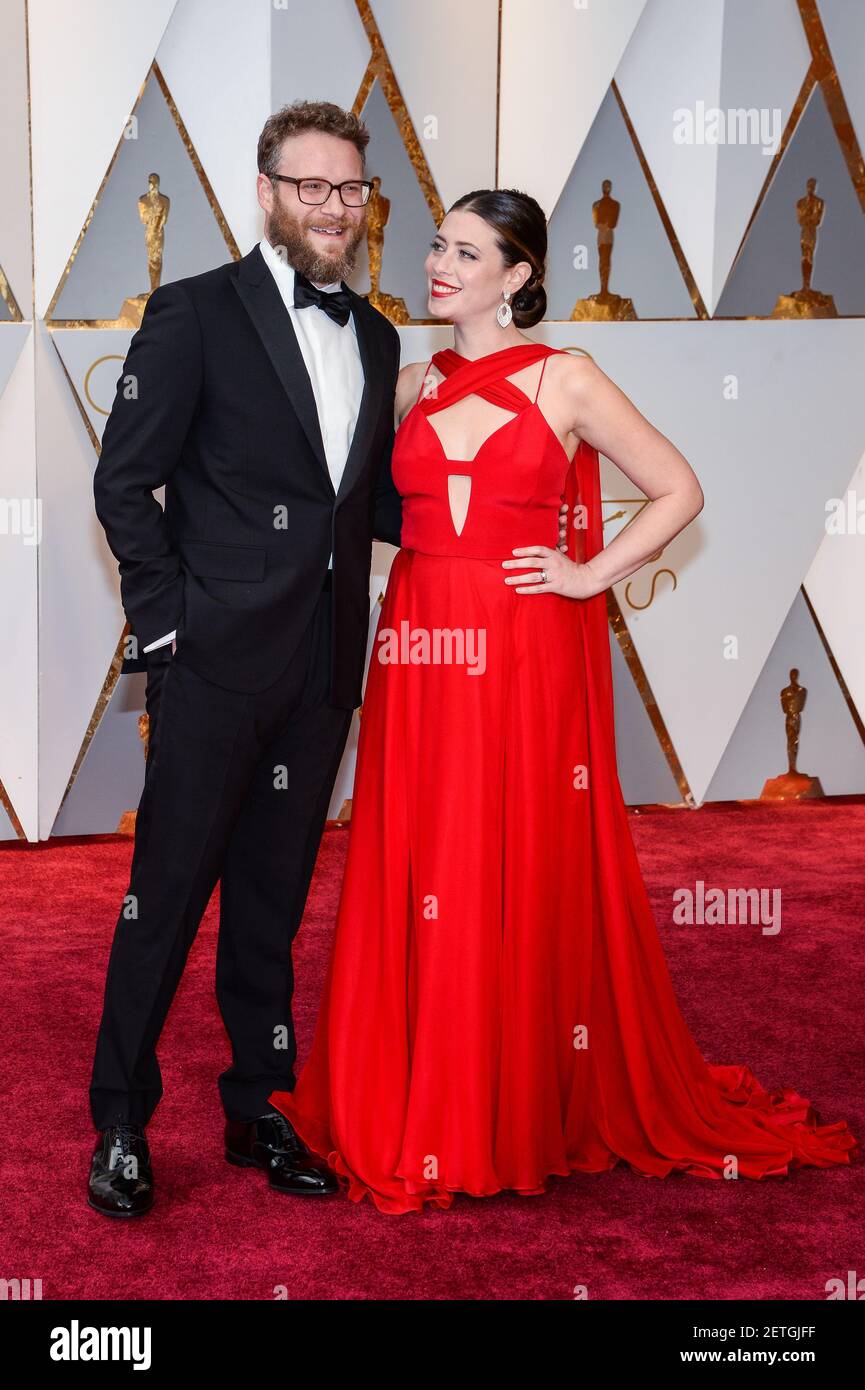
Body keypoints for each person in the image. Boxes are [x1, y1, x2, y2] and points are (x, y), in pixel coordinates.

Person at [269, 188, 859, 1214]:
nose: (439, 265)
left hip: (522, 641)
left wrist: (588, 575)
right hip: (418, 642)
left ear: (519, 275)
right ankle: (421, 1097)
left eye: (466, 251)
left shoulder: (568, 379)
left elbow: (678, 487)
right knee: (428, 854)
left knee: (513, 850)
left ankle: (505, 1105)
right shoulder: (409, 382)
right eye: (436, 246)